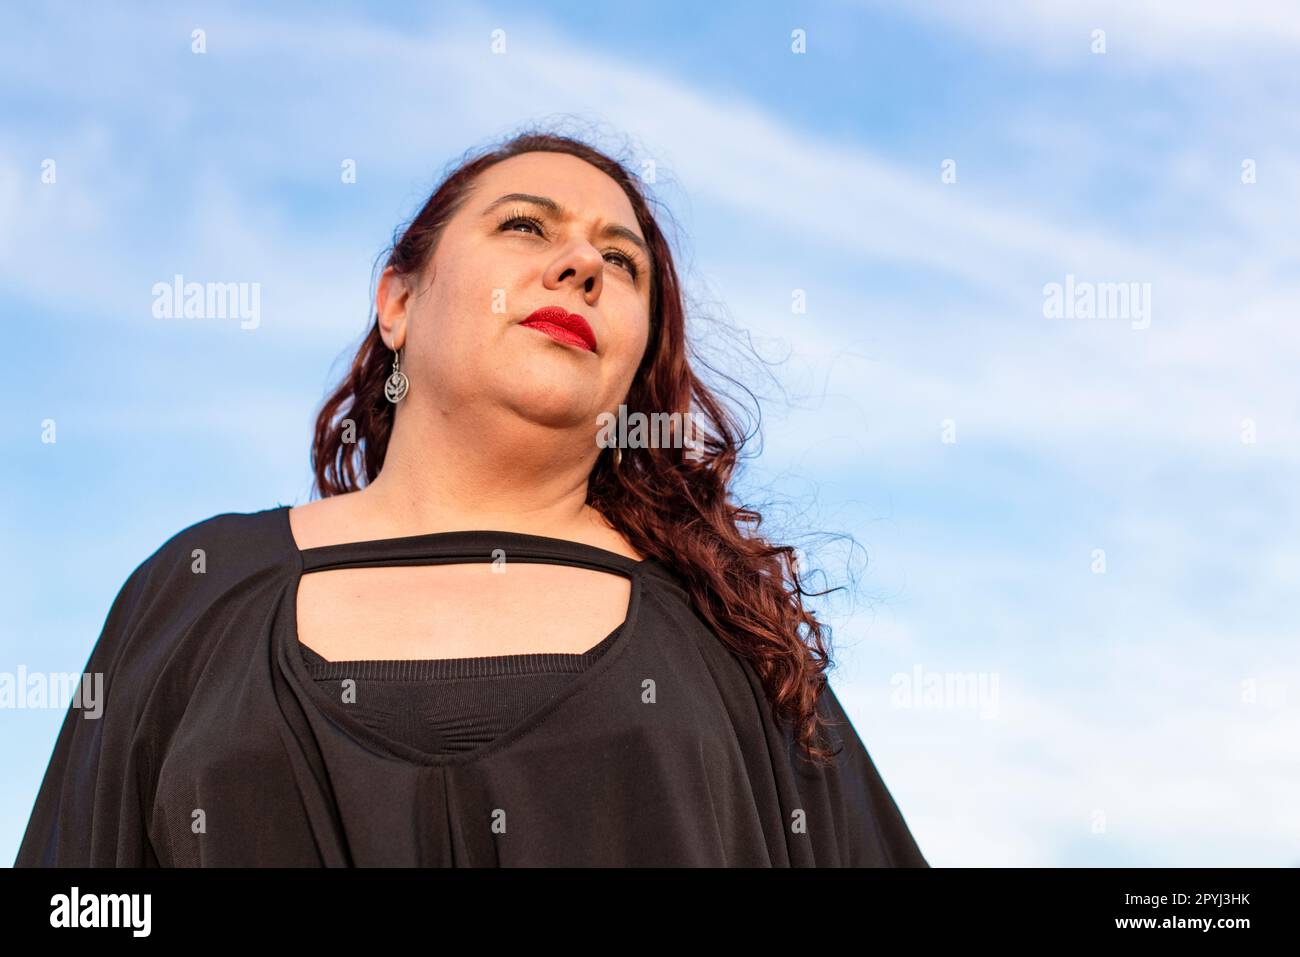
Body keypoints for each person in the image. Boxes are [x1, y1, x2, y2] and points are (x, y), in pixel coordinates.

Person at [15, 130, 928, 867]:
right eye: (527, 227)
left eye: (623, 260)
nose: (582, 266)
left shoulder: (728, 640)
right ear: (398, 301)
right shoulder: (195, 589)